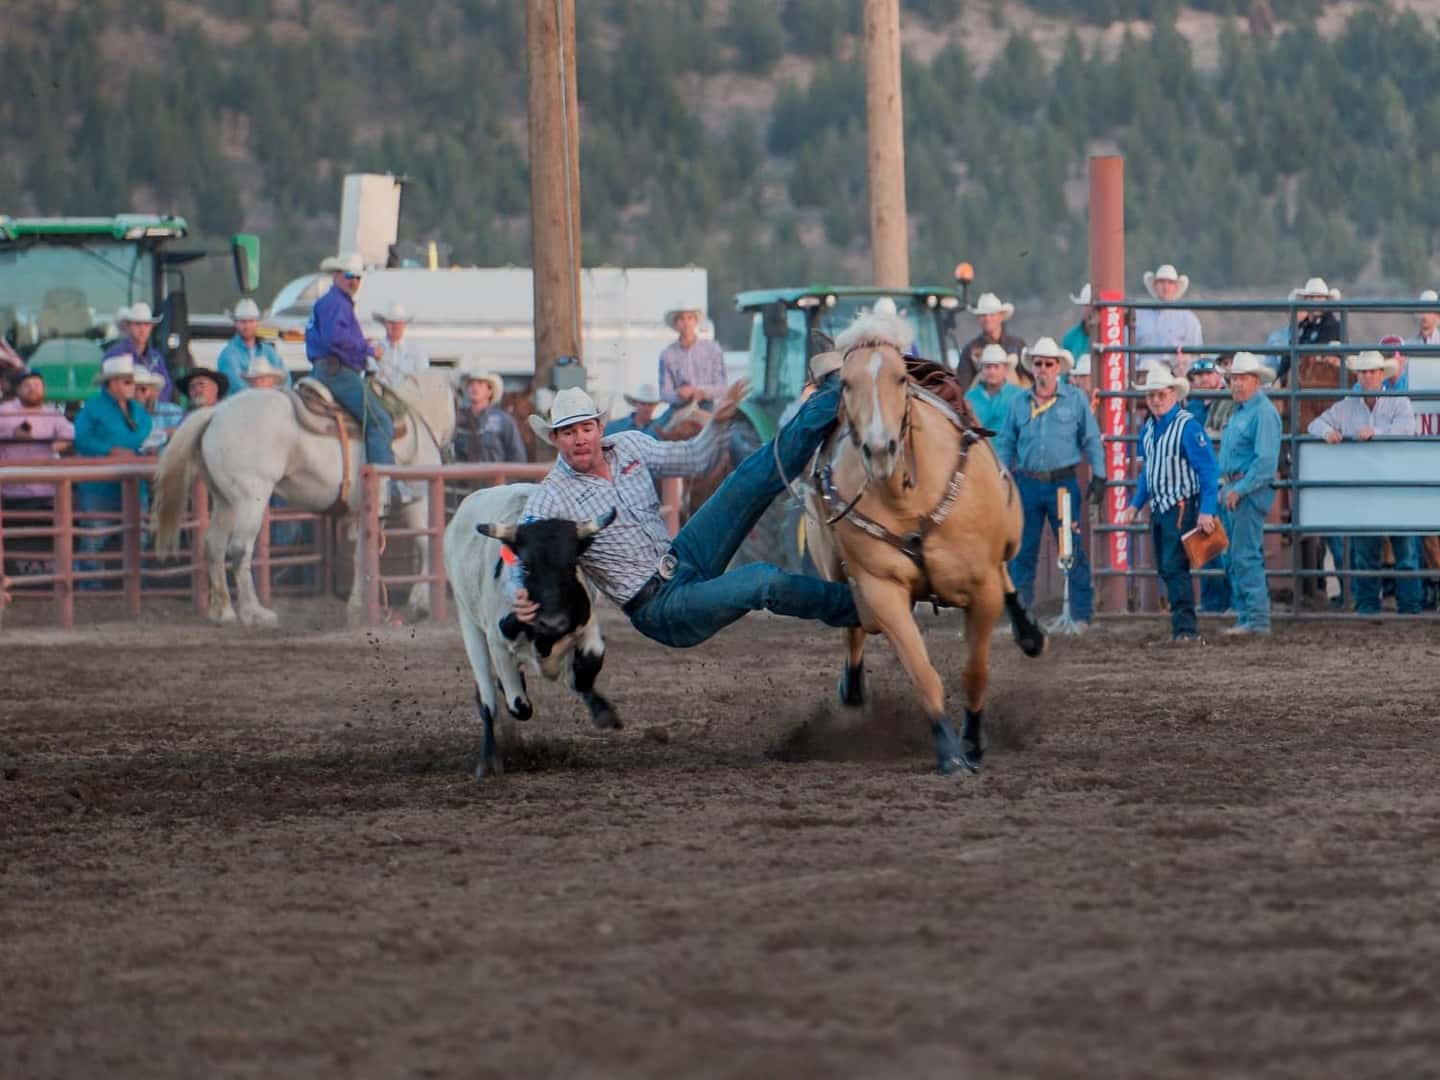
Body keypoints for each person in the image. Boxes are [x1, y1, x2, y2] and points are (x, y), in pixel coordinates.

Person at [509, 376, 860, 649]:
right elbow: (519, 545)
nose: (580, 438)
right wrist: (517, 591)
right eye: (569, 432)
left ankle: (838, 391)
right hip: (660, 608)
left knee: (749, 477)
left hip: (682, 556)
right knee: (762, 580)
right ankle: (863, 606)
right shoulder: (551, 496)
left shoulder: (628, 445)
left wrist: (719, 420)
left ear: (600, 428)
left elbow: (695, 458)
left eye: (586, 428)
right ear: (555, 439)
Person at [994, 337, 1106, 629]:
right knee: (1023, 552)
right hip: (1027, 481)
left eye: (1048, 364)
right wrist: (1001, 476)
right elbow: (1006, 442)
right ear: (1032, 367)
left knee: (1071, 548)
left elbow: (1091, 439)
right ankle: (1022, 617)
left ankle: (1080, 615)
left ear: (1058, 367)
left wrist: (1100, 474)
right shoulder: (1018, 402)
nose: (1043, 369)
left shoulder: (1075, 399)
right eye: (1039, 363)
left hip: (1062, 482)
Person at [1306, 350, 1422, 615]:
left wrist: (1377, 433)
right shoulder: (1347, 405)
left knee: (1406, 555)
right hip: (1367, 489)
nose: (1368, 376)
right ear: (1358, 375)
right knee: (1366, 554)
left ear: (1382, 375)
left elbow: (1407, 430)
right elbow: (1316, 424)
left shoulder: (1398, 402)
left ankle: (1409, 608)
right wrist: (1327, 431)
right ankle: (1369, 607)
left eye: (1373, 371)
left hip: (1395, 487)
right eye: (1364, 371)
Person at [1116, 366, 1219, 643]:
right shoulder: (1149, 429)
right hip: (1163, 508)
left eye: (1160, 394)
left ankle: (1185, 629)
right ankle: (1182, 626)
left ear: (1173, 394)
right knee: (1167, 566)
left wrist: (1207, 509)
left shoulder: (1188, 426)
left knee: (1174, 566)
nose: (1156, 400)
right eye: (1151, 395)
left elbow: (1208, 470)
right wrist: (1135, 505)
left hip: (1181, 505)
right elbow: (1149, 474)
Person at [304, 253, 411, 505]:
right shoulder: (337, 303)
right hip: (338, 373)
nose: (354, 281)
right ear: (337, 276)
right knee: (380, 419)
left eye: (358, 277)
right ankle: (386, 487)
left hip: (326, 369)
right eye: (350, 276)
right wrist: (368, 348)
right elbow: (336, 339)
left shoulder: (330, 302)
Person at [72, 355, 154, 588]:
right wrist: (111, 451)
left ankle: (136, 585)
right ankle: (91, 587)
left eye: (131, 381)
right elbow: (80, 438)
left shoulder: (136, 410)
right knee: (94, 538)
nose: (131, 386)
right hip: (101, 484)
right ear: (112, 383)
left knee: (139, 536)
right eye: (126, 382)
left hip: (132, 483)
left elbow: (148, 430)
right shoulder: (93, 407)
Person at [1216, 352, 1281, 636]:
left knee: (1244, 554)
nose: (1236, 384)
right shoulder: (1244, 411)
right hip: (1236, 488)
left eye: (1242, 379)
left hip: (1246, 490)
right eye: (1233, 379)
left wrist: (1239, 490)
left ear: (1255, 380)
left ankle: (1255, 619)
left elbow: (1266, 463)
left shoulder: (1262, 413)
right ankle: (1248, 615)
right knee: (1236, 555)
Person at [0, 368, 74, 519]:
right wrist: (12, 435)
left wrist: (62, 441)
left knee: (48, 536)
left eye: (37, 385)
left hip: (46, 491)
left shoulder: (51, 413)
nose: (33, 389)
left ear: (43, 389)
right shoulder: (4, 411)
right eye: (27, 385)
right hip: (10, 491)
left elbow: (69, 431)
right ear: (18, 389)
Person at [1265, 277, 1343, 386]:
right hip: (1302, 381)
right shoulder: (1303, 327)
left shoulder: (1332, 326)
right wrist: (1279, 380)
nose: (1315, 301)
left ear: (1326, 300)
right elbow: (1288, 357)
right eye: (1311, 297)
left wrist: (1283, 380)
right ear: (1306, 300)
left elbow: (1311, 359)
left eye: (1319, 297)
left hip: (1319, 383)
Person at [1133, 264, 1203, 373]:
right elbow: (1128, 347)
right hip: (1144, 371)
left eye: (1170, 283)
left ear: (1175, 287)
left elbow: (1196, 354)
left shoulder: (1189, 319)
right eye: (1161, 282)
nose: (1165, 287)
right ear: (1155, 286)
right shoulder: (1138, 315)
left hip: (1175, 371)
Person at [657, 305, 727, 408]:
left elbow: (721, 387)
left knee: (725, 423)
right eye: (681, 319)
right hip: (678, 407)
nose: (686, 323)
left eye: (690, 318)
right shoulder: (667, 354)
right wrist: (679, 394)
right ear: (676, 324)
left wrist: (698, 391)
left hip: (706, 405)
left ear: (695, 321)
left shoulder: (712, 349)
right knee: (657, 424)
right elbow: (664, 393)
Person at [216, 298, 286, 396]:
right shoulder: (228, 354)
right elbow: (236, 385)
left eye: (251, 321)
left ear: (258, 323)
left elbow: (285, 379)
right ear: (236, 323)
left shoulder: (269, 351)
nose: (247, 326)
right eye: (243, 322)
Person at [104, 302, 174, 402]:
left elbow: (167, 387)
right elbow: (106, 389)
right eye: (137, 324)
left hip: (153, 411)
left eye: (146, 324)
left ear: (151, 328)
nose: (142, 329)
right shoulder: (113, 355)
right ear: (128, 326)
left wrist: (153, 402)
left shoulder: (156, 357)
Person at [453, 370, 526, 463]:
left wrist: (506, 477)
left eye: (480, 383)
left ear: (490, 391)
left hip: (495, 476)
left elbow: (518, 457)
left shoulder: (503, 420)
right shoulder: (457, 420)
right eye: (471, 384)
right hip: (461, 476)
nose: (475, 387)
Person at [958, 292, 1027, 387]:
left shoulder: (1017, 345)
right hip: (980, 400)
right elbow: (963, 384)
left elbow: (1028, 377)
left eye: (991, 314)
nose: (987, 319)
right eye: (983, 315)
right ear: (978, 318)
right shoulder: (969, 349)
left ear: (1001, 316)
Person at [963, 343, 1023, 432]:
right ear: (982, 369)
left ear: (1005, 369)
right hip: (978, 445)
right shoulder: (969, 397)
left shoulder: (1019, 396)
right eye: (987, 367)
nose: (992, 371)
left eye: (996, 367)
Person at [372, 301, 430, 386]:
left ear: (404, 325)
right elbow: (371, 378)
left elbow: (424, 379)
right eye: (391, 322)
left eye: (399, 322)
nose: (395, 326)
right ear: (384, 324)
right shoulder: (374, 349)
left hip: (409, 397)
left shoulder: (417, 351)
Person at [135, 368, 183, 453]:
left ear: (153, 391)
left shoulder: (172, 410)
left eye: (143, 389)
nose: (137, 394)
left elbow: (182, 438)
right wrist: (165, 433)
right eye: (134, 389)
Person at [1061, 283, 1097, 362]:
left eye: (1092, 305)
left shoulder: (1114, 335)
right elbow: (1064, 370)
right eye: (1086, 305)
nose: (1089, 309)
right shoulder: (1070, 338)